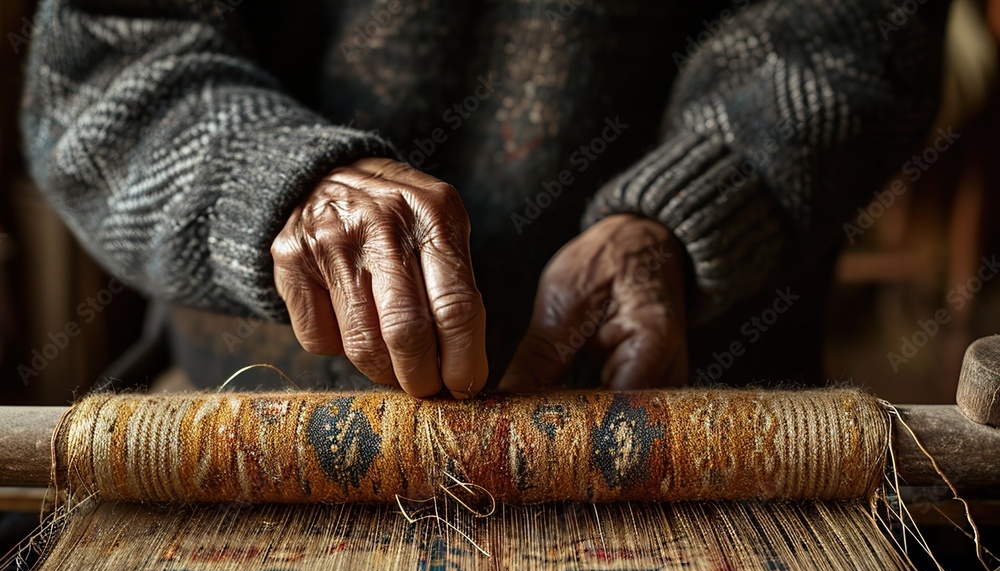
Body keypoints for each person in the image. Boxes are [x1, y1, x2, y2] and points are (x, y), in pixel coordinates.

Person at [21, 0, 948, 397]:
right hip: (254, 412)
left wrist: (691, 205)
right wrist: (274, 184)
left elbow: (854, 27)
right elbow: (106, 60)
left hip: (687, 412)